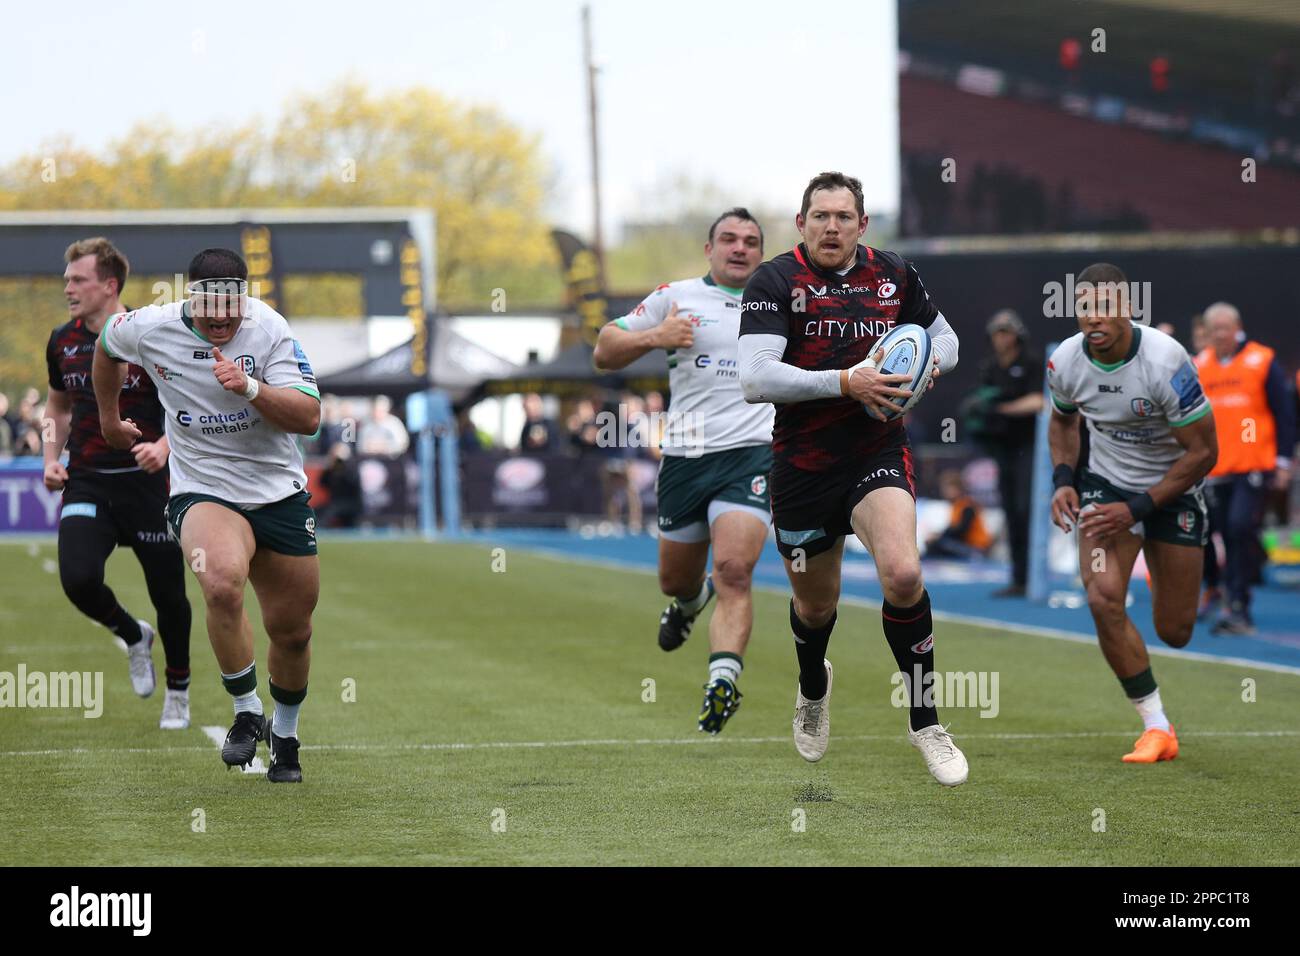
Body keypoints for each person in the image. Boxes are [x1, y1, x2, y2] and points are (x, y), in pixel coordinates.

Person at [737, 172, 968, 785]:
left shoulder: (895, 274)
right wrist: (848, 380)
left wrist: (926, 367)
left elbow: (946, 339)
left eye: (844, 217)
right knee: (817, 608)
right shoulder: (775, 281)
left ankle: (926, 722)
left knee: (904, 572)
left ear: (862, 225)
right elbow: (756, 378)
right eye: (821, 216)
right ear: (801, 223)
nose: (832, 227)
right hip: (803, 466)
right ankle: (814, 685)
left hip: (875, 452)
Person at [94, 248, 321, 783]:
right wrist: (109, 419)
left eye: (231, 308)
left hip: (277, 492)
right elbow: (106, 344)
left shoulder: (269, 330)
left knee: (292, 633)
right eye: (208, 308)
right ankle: (246, 711)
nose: (220, 320)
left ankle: (284, 735)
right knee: (219, 581)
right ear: (189, 298)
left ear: (245, 299)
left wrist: (250, 388)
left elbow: (309, 416)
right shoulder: (153, 326)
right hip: (202, 487)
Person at [593, 207, 773, 733]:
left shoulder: (783, 303)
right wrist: (655, 337)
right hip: (686, 457)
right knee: (675, 579)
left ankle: (722, 681)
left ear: (762, 253)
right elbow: (605, 350)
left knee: (735, 569)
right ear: (709, 250)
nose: (740, 248)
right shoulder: (676, 297)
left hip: (752, 452)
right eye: (729, 239)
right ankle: (691, 602)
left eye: (751, 241)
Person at [1047, 262, 1218, 764]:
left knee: (1175, 630)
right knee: (1102, 599)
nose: (1092, 319)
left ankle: (1156, 571)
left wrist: (1138, 510)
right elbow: (1062, 423)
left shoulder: (1167, 361)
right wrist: (1063, 481)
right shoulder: (1065, 361)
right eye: (1084, 308)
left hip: (1172, 491)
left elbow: (1205, 453)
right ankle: (1157, 726)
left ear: (1127, 309)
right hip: (1105, 486)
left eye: (1104, 308)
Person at [43, 237, 192, 728]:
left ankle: (178, 690)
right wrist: (50, 457)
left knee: (169, 595)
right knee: (79, 579)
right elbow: (57, 407)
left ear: (109, 285)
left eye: (78, 280)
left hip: (149, 486)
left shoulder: (150, 335)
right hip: (87, 482)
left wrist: (164, 448)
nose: (68, 288)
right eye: (67, 280)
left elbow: (187, 404)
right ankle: (132, 635)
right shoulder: (61, 341)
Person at [1194, 302, 1295, 634]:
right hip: (1215, 467)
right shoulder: (1201, 365)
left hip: (1253, 465)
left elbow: (1284, 412)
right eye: (1215, 328)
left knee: (1239, 528)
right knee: (1215, 532)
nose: (1221, 334)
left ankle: (1239, 605)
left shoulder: (1260, 360)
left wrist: (1283, 460)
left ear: (1237, 327)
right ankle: (1220, 590)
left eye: (1226, 327)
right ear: (1207, 333)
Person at [976, 310, 1044, 596]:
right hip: (1002, 447)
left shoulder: (1031, 362)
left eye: (1005, 332)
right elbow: (981, 401)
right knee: (1009, 511)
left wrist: (1002, 409)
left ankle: (1033, 576)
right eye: (996, 333)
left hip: (1028, 447)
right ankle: (1018, 578)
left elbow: (1039, 401)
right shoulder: (990, 367)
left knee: (1025, 508)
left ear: (1016, 335)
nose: (1000, 338)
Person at [924, 469, 993, 560]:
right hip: (967, 547)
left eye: (948, 488)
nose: (944, 491)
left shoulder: (967, 506)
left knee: (937, 545)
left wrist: (938, 537)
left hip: (976, 549)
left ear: (958, 489)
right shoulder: (956, 506)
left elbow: (961, 531)